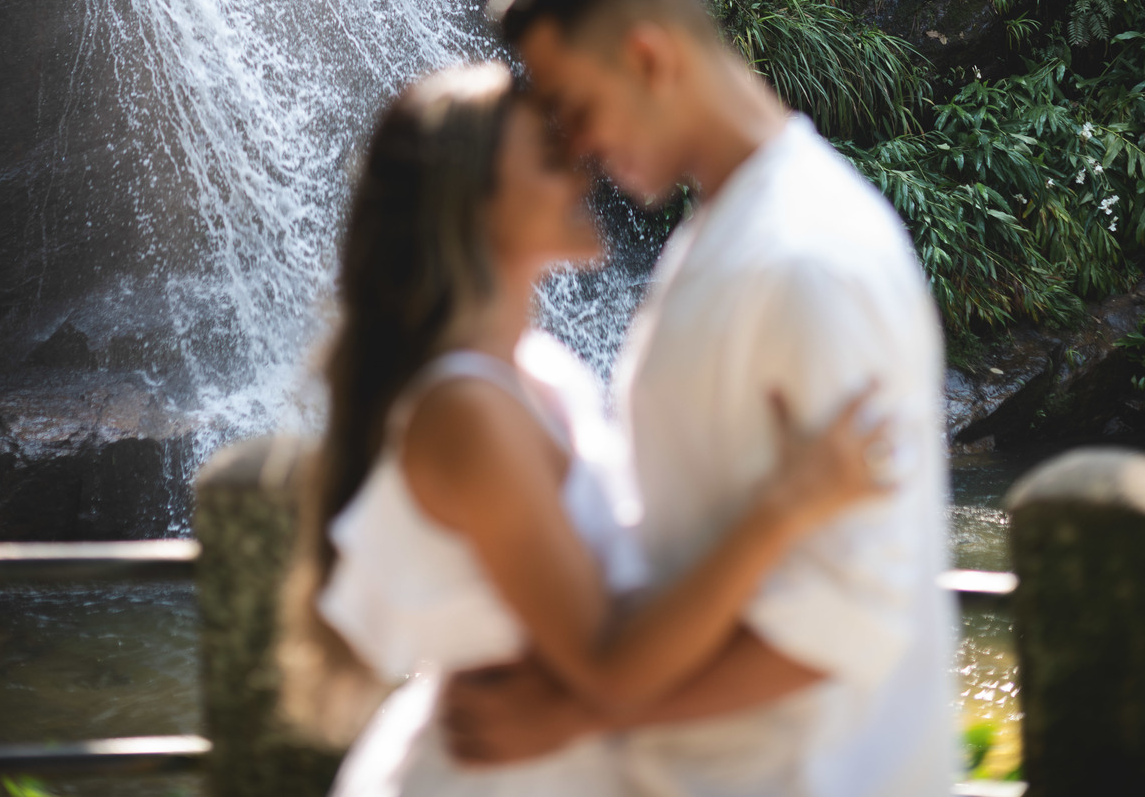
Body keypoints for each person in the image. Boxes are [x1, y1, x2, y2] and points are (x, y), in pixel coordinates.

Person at [281, 60, 898, 797]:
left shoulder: (539, 371)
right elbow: (606, 661)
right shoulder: (467, 415)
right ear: (473, 204)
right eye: (548, 160)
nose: (582, 175)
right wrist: (787, 503)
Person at [444, 0, 954, 797]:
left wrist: (580, 711)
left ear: (648, 58)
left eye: (575, 111)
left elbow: (853, 615)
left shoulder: (808, 260)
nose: (577, 153)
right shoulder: (728, 227)